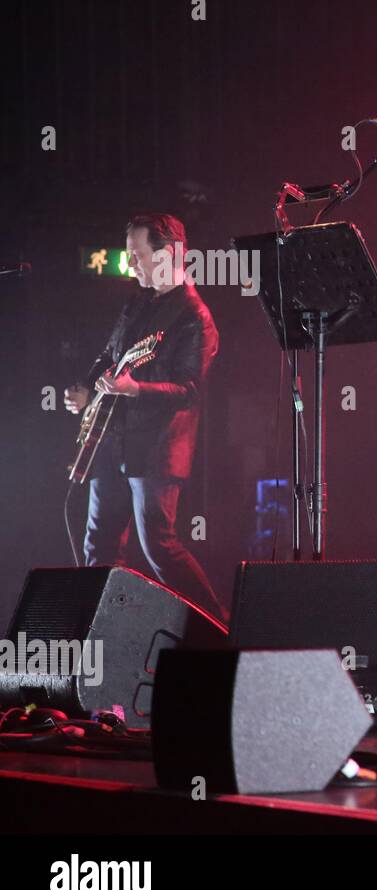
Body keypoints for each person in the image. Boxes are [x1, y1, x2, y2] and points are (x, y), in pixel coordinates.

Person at [64, 213, 223, 621]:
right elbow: (110, 353)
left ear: (168, 253)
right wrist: (87, 388)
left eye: (136, 255)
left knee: (159, 547)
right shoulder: (137, 302)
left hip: (157, 447)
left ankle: (218, 627)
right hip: (112, 439)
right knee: (98, 547)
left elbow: (188, 390)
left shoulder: (193, 316)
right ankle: (101, 638)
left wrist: (135, 389)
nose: (129, 264)